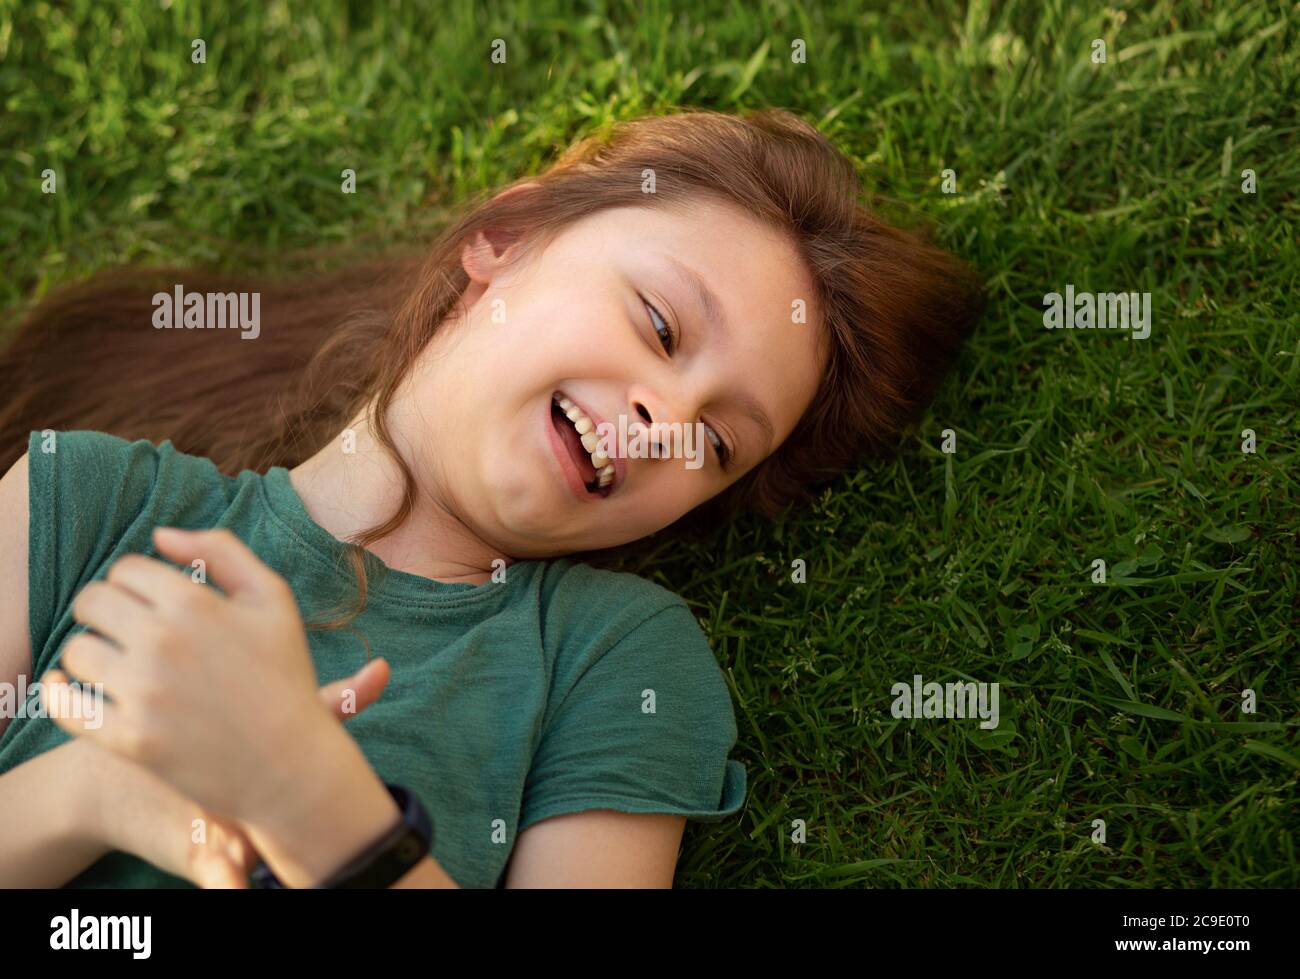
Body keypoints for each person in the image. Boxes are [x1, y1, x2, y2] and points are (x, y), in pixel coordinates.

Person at [0, 107, 984, 888]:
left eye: (718, 441)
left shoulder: (612, 663)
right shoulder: (82, 498)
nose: (670, 414)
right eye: (660, 324)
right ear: (502, 241)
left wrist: (313, 804)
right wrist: (106, 788)